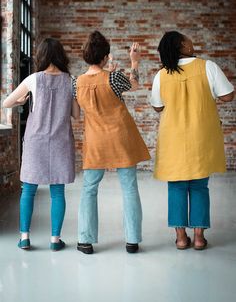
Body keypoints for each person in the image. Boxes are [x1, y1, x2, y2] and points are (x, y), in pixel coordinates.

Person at [151, 31, 234, 250]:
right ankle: (198, 238)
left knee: (176, 186)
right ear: (182, 46)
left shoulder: (162, 75)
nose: (192, 41)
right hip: (201, 135)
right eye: (188, 39)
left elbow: (157, 106)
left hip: (173, 137)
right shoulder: (207, 67)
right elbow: (228, 95)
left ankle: (180, 238)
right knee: (199, 185)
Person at [76, 30, 150, 254]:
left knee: (89, 188)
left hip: (95, 141)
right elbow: (134, 85)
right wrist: (134, 62)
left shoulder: (76, 82)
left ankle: (85, 241)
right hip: (120, 138)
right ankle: (132, 240)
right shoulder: (114, 77)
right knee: (129, 187)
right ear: (105, 57)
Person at [3, 38, 80, 251]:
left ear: (41, 56)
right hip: (61, 141)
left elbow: (6, 102)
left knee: (28, 190)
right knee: (58, 192)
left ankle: (25, 237)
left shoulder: (33, 79)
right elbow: (76, 114)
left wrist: (20, 102)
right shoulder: (71, 80)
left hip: (36, 141)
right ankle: (55, 240)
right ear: (60, 56)